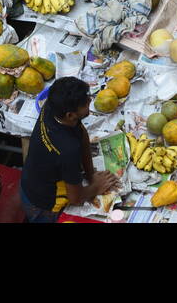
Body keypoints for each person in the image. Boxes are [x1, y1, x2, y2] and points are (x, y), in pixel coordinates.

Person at [20, 76, 116, 221]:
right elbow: (75, 198)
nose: (90, 101)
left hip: (31, 177)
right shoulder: (67, 150)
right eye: (85, 103)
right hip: (44, 204)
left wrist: (91, 175)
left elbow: (81, 133)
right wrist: (96, 187)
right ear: (70, 115)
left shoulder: (52, 107)